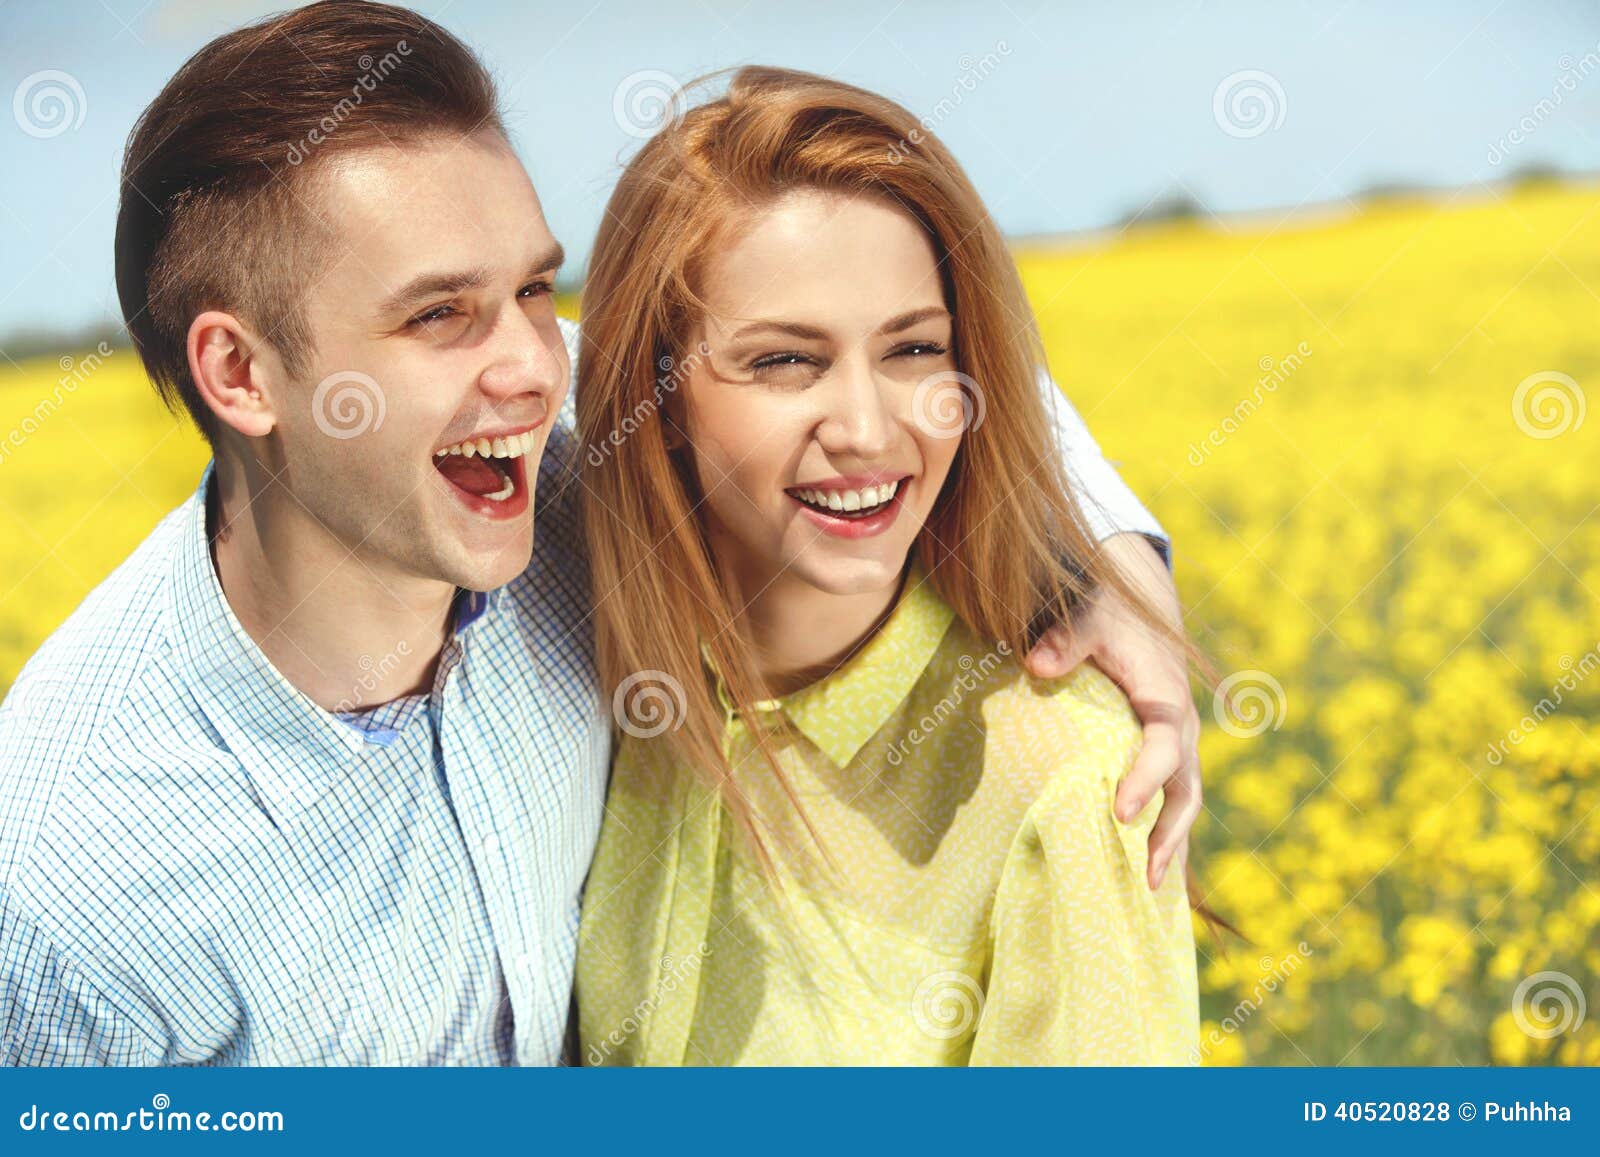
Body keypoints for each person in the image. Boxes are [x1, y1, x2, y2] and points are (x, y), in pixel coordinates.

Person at [0, 3, 1199, 1066]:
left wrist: (1113, 560)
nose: (535, 365)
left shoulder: (558, 467)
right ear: (241, 373)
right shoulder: (71, 879)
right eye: (440, 313)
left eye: (534, 288)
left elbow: (868, 349)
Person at [574, 67, 1211, 1065]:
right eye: (784, 360)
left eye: (913, 349)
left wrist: (1125, 564)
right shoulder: (587, 665)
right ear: (653, 392)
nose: (868, 431)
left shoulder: (1071, 782)